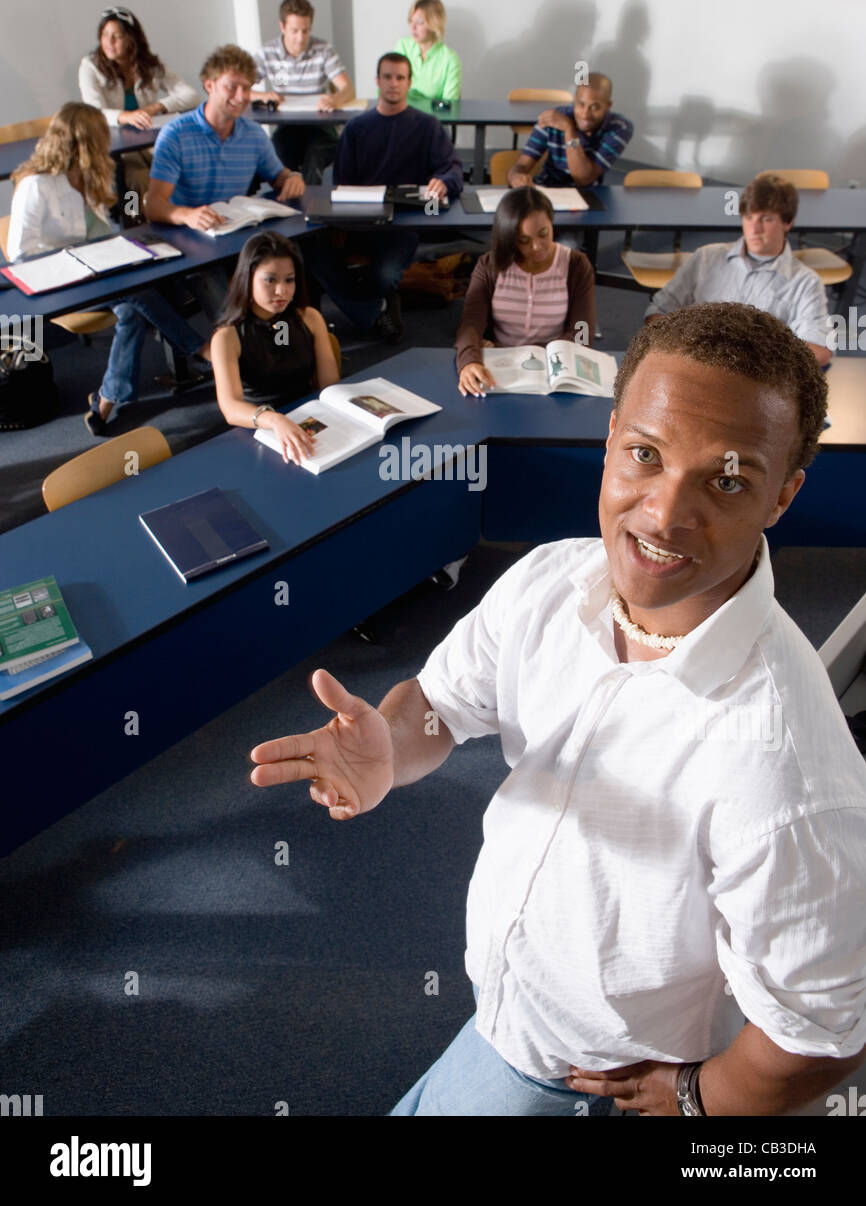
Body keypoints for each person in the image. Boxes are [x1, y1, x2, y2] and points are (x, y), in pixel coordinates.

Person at [249, 302, 866, 1117]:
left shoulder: (787, 770)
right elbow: (440, 703)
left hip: (588, 1080)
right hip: (508, 1021)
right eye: (645, 455)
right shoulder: (553, 578)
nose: (664, 515)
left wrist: (700, 1098)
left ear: (783, 495)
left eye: (727, 480)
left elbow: (823, 1030)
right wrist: (393, 748)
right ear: (610, 438)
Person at [8, 103, 210, 436]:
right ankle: (198, 349)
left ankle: (106, 399)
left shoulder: (91, 176)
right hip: (60, 282)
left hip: (99, 273)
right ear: (83, 142)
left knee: (133, 307)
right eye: (101, 138)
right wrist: (74, 258)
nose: (108, 144)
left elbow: (101, 232)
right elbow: (19, 254)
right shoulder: (36, 185)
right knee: (136, 292)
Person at [305, 52, 463, 343]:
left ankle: (372, 302)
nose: (393, 83)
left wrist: (444, 181)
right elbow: (342, 183)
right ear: (377, 81)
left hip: (402, 226)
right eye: (387, 77)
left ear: (408, 83)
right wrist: (339, 225)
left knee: (384, 275)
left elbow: (452, 169)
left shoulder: (427, 126)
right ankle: (375, 309)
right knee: (311, 253)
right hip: (358, 223)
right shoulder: (356, 128)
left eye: (400, 78)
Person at [144, 45, 305, 318]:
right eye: (232, 87)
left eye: (247, 88)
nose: (241, 97)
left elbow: (278, 175)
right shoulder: (175, 134)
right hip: (190, 238)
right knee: (209, 277)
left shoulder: (253, 134)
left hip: (235, 233)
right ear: (209, 85)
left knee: (293, 256)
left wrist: (292, 178)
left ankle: (285, 341)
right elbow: (152, 205)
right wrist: (188, 215)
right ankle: (234, 347)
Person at [644, 172, 833, 365]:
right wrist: (680, 349)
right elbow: (659, 310)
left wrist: (757, 360)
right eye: (749, 217)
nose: (755, 228)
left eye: (766, 219)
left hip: (759, 377)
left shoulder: (805, 281)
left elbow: (819, 349)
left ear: (787, 222)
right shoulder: (706, 257)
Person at [211, 231, 339, 465]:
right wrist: (274, 419)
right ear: (247, 278)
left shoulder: (310, 318)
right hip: (258, 429)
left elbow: (329, 386)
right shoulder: (226, 337)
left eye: (289, 280)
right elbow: (230, 408)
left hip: (310, 420)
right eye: (270, 280)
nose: (282, 291)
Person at [455, 187, 595, 396]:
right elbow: (470, 323)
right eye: (524, 240)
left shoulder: (576, 265)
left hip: (554, 364)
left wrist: (553, 353)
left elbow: (583, 330)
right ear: (510, 237)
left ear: (552, 223)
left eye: (543, 234)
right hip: (500, 360)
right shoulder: (489, 265)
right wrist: (469, 360)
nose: (537, 247)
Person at [78, 6, 199, 204]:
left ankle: (176, 215)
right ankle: (134, 221)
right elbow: (93, 110)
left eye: (116, 36)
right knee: (136, 181)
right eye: (104, 35)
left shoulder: (148, 64)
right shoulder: (90, 66)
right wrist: (124, 116)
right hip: (116, 146)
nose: (109, 42)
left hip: (148, 140)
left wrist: (156, 107)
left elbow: (191, 95)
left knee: (180, 168)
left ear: (131, 39)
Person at [251, 0, 355, 184]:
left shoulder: (323, 50)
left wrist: (335, 99)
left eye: (305, 31)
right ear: (282, 27)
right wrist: (263, 95)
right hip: (287, 126)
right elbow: (241, 90)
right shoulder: (268, 52)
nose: (300, 38)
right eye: (295, 31)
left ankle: (311, 208)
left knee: (315, 158)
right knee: (278, 158)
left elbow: (347, 88)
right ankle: (286, 207)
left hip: (320, 127)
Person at [507, 73, 633, 189]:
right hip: (547, 188)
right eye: (581, 104)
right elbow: (521, 166)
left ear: (608, 106)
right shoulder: (553, 119)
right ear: (574, 101)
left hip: (589, 194)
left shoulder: (620, 128)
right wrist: (515, 176)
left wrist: (569, 130)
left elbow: (582, 179)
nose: (585, 114)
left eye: (594, 107)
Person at [395, 0, 462, 104]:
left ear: (434, 24)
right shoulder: (402, 46)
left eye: (420, 22)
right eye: (411, 21)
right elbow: (390, 92)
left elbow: (450, 106)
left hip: (434, 120)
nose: (413, 27)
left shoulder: (450, 59)